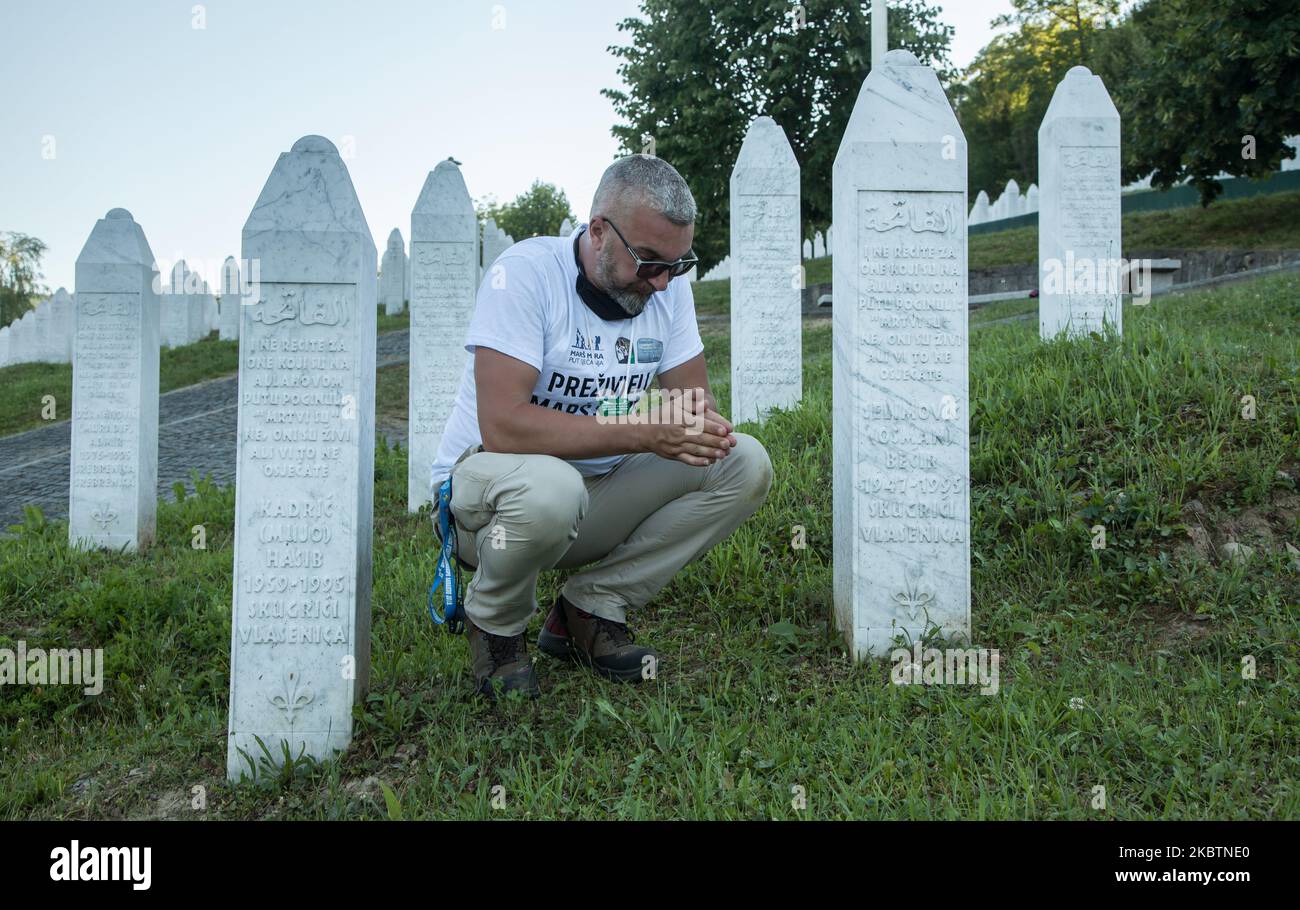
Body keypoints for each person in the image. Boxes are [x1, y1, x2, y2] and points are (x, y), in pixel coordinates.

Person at [429, 154, 773, 700]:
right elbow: (504, 427)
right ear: (597, 231)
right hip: (488, 505)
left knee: (742, 461)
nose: (662, 284)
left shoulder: (667, 287)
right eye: (650, 262)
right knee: (550, 490)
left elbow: (693, 409)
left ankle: (589, 607)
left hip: (592, 494)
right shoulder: (525, 275)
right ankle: (495, 625)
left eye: (677, 266)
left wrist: (679, 423)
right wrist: (639, 428)